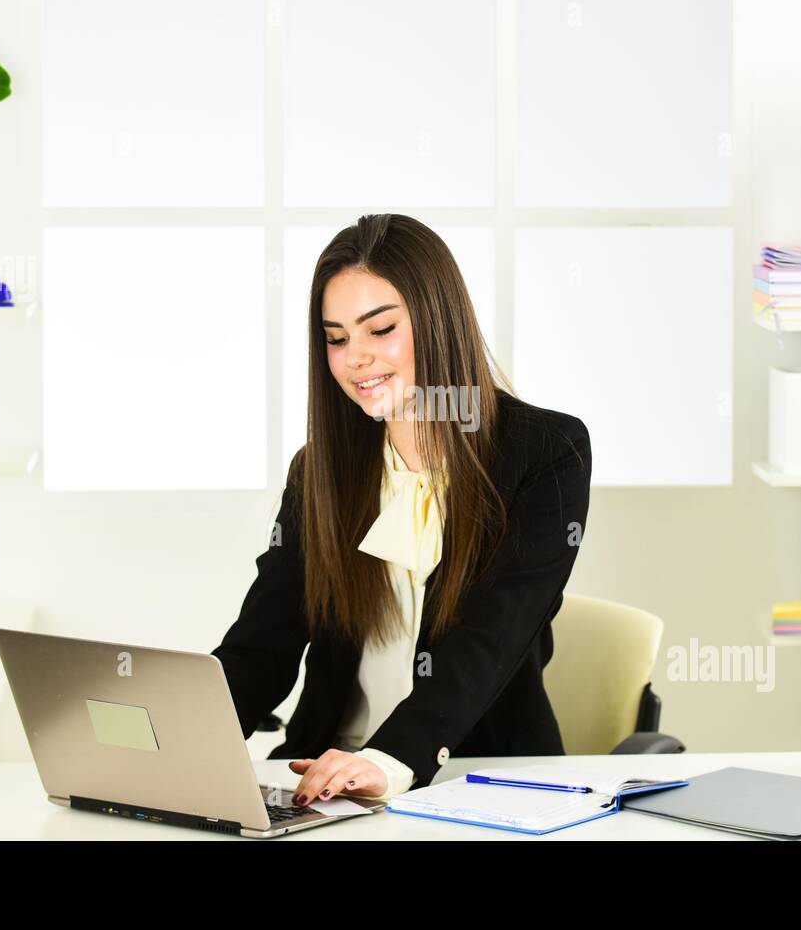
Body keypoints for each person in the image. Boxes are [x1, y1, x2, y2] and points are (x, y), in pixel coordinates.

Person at [211, 212, 591, 807]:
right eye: (336, 338)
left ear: (438, 322)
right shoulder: (319, 469)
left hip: (476, 781)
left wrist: (387, 762)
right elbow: (263, 645)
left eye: (379, 329)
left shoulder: (544, 453)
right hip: (326, 783)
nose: (354, 359)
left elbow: (488, 644)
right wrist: (181, 741)